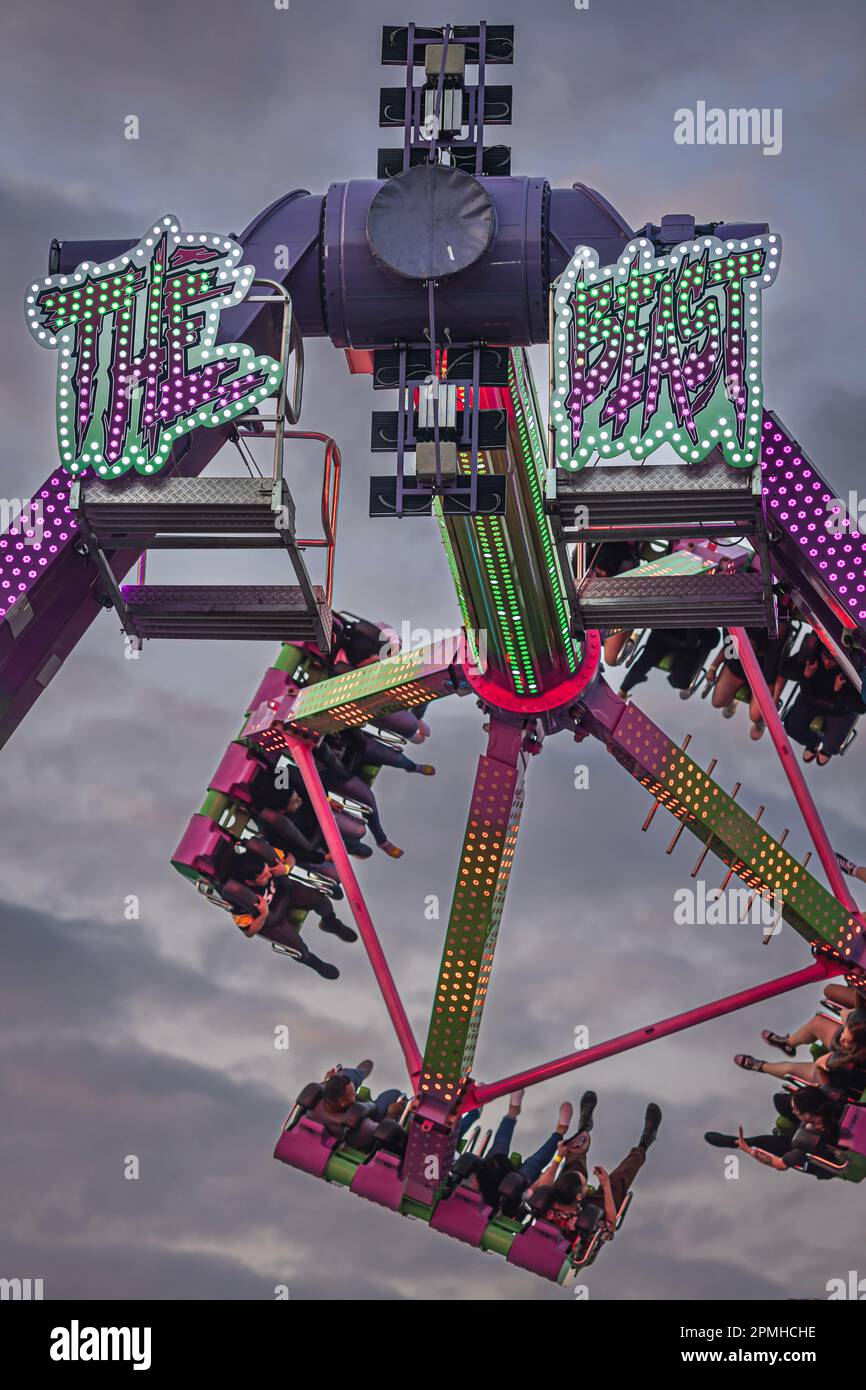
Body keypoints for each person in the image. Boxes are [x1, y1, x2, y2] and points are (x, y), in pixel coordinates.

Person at [532, 1098, 662, 1242]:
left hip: (570, 1202)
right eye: (584, 1185)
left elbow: (543, 1185)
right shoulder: (585, 1222)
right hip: (581, 1224)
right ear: (579, 1196)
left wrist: (559, 1157)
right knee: (617, 1184)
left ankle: (584, 1129)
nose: (586, 1183)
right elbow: (610, 1226)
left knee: (574, 1169)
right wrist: (606, 1186)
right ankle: (645, 1142)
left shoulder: (547, 1204)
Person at [222, 845, 345, 980]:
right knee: (299, 950)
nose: (269, 874)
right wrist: (263, 914)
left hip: (285, 891)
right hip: (271, 920)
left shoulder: (265, 861)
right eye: (264, 876)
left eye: (268, 870)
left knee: (322, 901)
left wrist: (285, 868)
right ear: (250, 882)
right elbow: (249, 932)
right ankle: (316, 964)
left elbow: (291, 856)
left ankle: (330, 922)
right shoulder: (240, 900)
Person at [456, 1090, 575, 1208]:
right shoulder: (511, 1201)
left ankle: (512, 1112)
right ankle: (559, 1132)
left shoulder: (463, 1185)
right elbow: (538, 1184)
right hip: (513, 1188)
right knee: (532, 1164)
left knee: (500, 1146)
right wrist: (557, 1158)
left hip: (494, 1177)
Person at [704, 1086, 847, 1180]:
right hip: (826, 1125)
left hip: (821, 1152)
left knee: (763, 1143)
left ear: (807, 1115)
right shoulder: (834, 1105)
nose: (793, 1112)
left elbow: (780, 1164)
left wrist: (749, 1151)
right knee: (779, 1100)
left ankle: (738, 1143)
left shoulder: (805, 1143)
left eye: (796, 1111)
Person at [734, 1007, 866, 1094]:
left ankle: (762, 1066)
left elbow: (828, 1085)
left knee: (791, 1069)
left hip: (849, 1075)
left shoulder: (840, 1061)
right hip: (853, 1051)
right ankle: (787, 1044)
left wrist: (821, 1067)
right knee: (818, 1021)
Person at [706, 621, 791, 738]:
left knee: (755, 716)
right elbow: (729, 646)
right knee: (717, 702)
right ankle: (733, 699)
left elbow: (782, 670)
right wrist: (713, 667)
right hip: (739, 662)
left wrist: (775, 698)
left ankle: (759, 718)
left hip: (763, 672)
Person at [783, 646, 865, 764]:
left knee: (832, 747)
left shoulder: (849, 670)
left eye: (832, 660)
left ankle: (826, 749)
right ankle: (812, 742)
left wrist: (839, 691)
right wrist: (806, 677)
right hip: (812, 700)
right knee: (791, 728)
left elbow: (861, 708)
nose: (827, 662)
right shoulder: (815, 657)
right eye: (825, 657)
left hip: (839, 707)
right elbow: (785, 670)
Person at [308, 1061, 405, 1139]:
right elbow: (378, 1136)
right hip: (369, 1117)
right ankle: (357, 1074)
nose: (356, 1096)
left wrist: (329, 1080)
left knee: (345, 1076)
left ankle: (357, 1073)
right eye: (353, 1095)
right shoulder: (362, 1127)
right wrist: (390, 1115)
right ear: (342, 1102)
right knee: (393, 1094)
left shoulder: (314, 1103)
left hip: (337, 1108)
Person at [617, 628, 718, 700]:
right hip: (663, 633)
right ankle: (623, 690)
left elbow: (713, 639)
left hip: (689, 642)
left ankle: (623, 690)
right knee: (645, 661)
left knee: (681, 682)